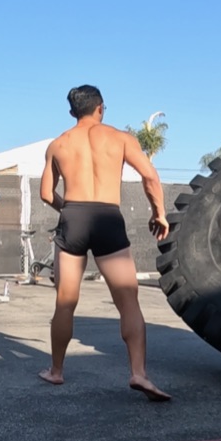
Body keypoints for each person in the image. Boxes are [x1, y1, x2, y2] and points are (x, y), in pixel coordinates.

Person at [37, 85, 172, 401]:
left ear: (73, 112)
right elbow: (150, 177)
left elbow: (45, 194)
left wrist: (70, 210)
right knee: (128, 300)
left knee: (66, 301)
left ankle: (56, 372)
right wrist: (159, 214)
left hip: (73, 218)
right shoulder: (121, 138)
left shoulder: (58, 145)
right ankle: (138, 373)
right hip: (108, 217)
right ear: (100, 107)